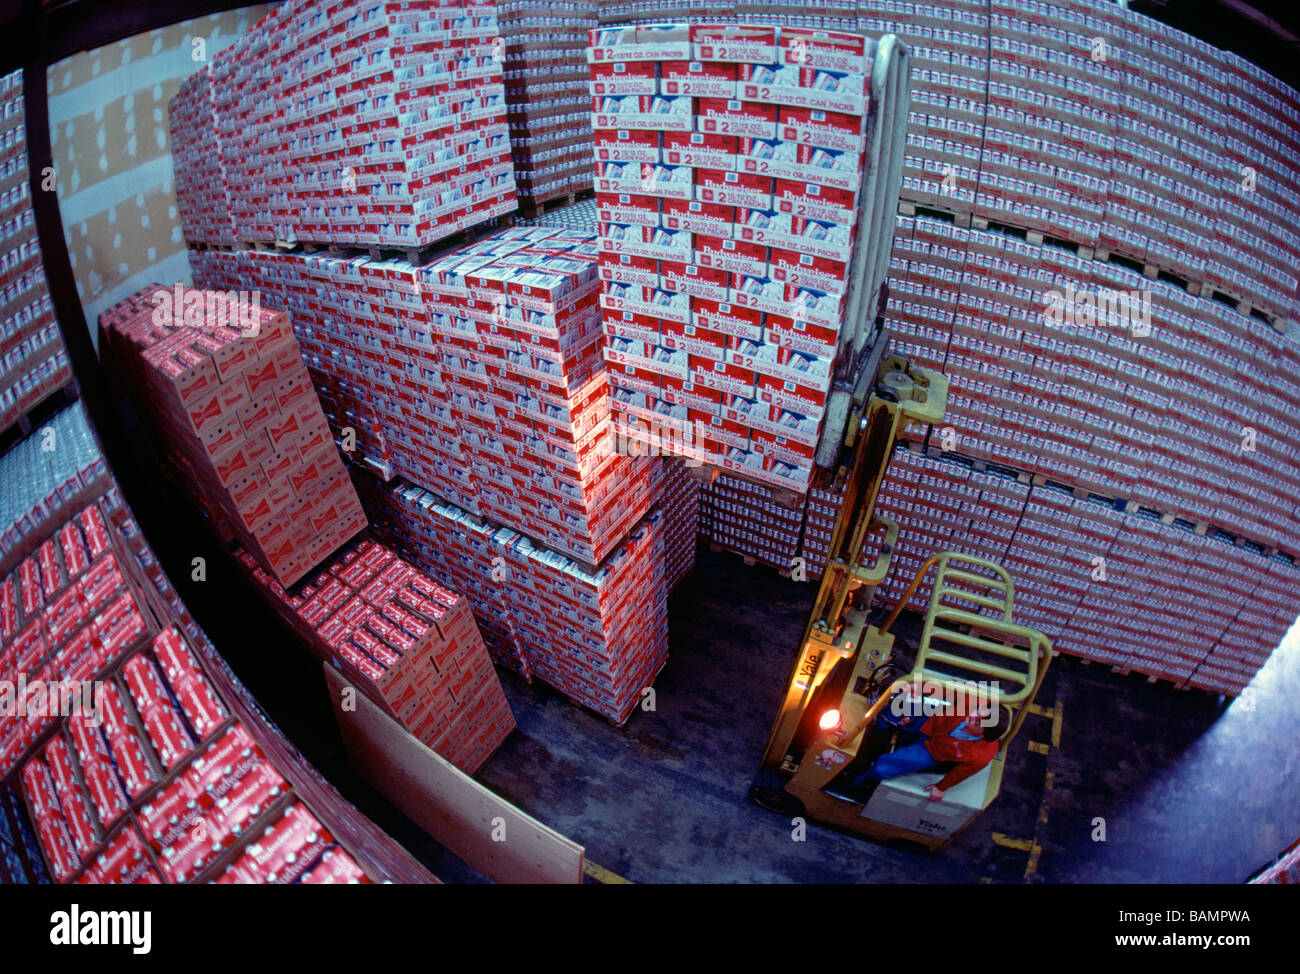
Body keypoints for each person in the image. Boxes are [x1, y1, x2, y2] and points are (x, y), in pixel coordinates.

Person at [831, 686, 1010, 803]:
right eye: (977, 713)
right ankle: (869, 743)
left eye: (978, 723)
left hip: (932, 752)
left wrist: (941, 787)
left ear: (985, 735)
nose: (972, 717)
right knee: (888, 714)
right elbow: (945, 689)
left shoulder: (982, 756)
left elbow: (961, 773)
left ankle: (857, 783)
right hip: (932, 723)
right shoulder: (974, 700)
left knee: (881, 767)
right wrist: (918, 689)